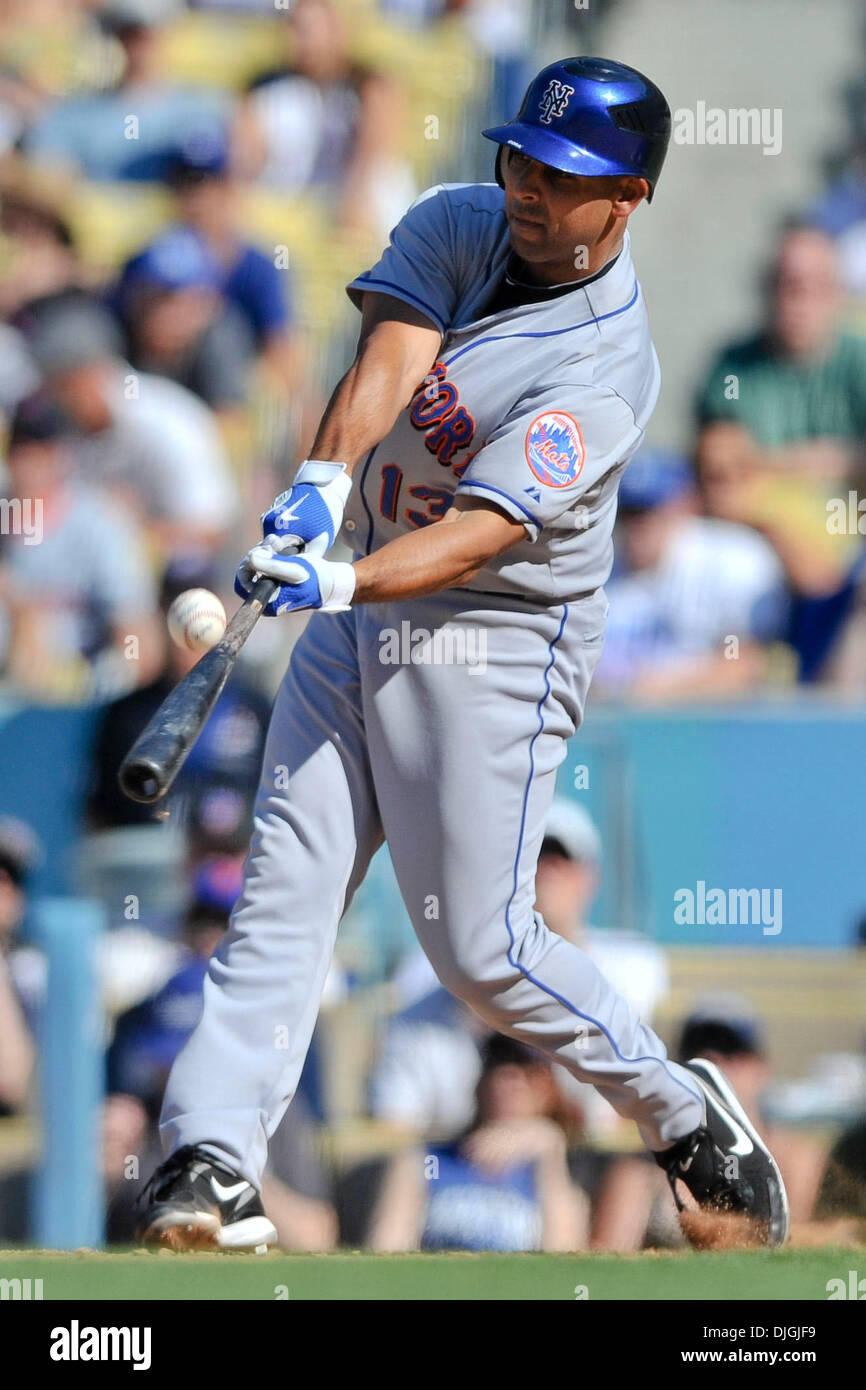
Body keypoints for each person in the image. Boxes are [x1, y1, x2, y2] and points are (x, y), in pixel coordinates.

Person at [139, 56, 788, 1252]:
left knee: (483, 954)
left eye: (566, 174)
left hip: (492, 639)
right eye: (522, 158)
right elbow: (388, 361)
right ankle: (213, 1163)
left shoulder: (604, 365)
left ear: (628, 196)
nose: (530, 187)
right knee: (278, 899)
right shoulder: (457, 217)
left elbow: (478, 535)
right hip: (360, 612)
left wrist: (333, 574)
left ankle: (682, 1114)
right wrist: (319, 487)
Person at [24, 292, 237, 563]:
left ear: (88, 374)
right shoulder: (66, 432)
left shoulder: (167, 421)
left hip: (193, 583)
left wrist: (134, 528)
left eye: (59, 386)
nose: (54, 400)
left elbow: (213, 531)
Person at [0, 392, 163, 702]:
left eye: (42, 450)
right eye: (20, 449)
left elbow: (142, 646)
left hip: (77, 713)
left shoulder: (100, 526)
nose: (28, 462)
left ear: (61, 455)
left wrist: (81, 682)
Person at [594, 449, 789, 702]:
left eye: (649, 512)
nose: (639, 527)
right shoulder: (599, 570)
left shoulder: (732, 558)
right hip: (614, 727)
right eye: (629, 514)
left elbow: (750, 662)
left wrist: (656, 690)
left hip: (715, 725)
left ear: (685, 505)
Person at [368, 1035, 586, 1252]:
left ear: (550, 1091)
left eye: (530, 1073)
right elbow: (388, 1251)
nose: (510, 1080)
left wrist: (549, 1147)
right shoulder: (431, 1160)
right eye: (497, 1064)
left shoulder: (556, 1166)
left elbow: (562, 1256)